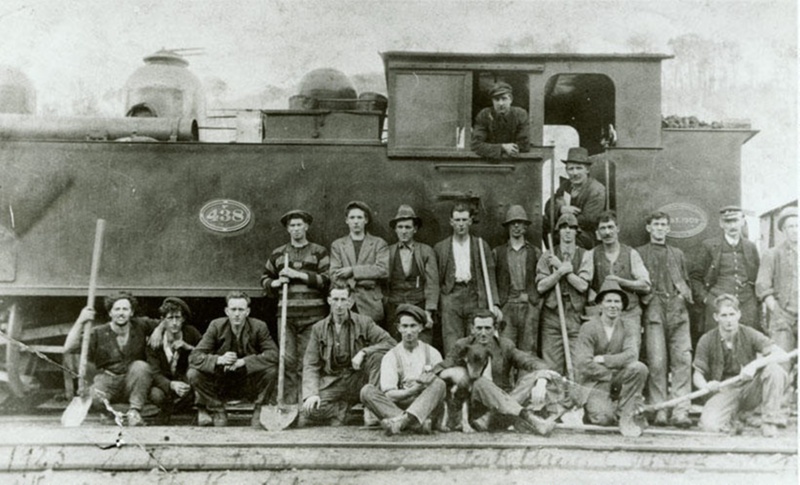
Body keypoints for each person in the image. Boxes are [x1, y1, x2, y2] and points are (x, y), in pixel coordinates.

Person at [432, 310, 558, 436]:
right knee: (480, 381)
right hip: (477, 409)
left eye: (487, 328)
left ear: (495, 329)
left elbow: (531, 362)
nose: (483, 333)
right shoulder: (463, 345)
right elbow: (440, 368)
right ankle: (530, 419)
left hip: (504, 404)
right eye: (479, 328)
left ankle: (501, 418)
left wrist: (541, 379)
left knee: (537, 376)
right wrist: (456, 373)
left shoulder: (505, 346)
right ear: (472, 329)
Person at [693, 294, 788, 437]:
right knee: (709, 426)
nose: (729, 320)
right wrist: (706, 386)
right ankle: (737, 419)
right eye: (724, 315)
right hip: (724, 391)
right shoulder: (706, 340)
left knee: (774, 370)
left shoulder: (749, 333)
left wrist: (755, 365)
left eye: (732, 314)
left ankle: (769, 422)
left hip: (749, 388)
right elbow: (697, 374)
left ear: (738, 314)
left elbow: (782, 354)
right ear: (716, 317)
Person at [301, 284, 396, 426]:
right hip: (334, 381)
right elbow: (311, 364)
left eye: (343, 299)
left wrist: (364, 352)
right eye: (335, 299)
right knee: (309, 410)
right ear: (329, 301)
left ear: (350, 302)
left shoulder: (365, 322)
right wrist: (311, 394)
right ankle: (344, 411)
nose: (339, 305)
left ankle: (372, 409)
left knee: (377, 357)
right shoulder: (318, 328)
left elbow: (390, 343)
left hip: (359, 379)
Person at [261, 209, 330, 404]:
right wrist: (274, 283)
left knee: (307, 362)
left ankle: (305, 401)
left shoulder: (319, 251)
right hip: (286, 316)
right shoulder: (278, 254)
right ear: (287, 229)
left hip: (313, 316)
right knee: (287, 361)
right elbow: (265, 278)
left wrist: (298, 275)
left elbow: (326, 280)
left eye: (300, 225)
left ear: (306, 226)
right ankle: (289, 402)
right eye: (292, 225)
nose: (296, 229)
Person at [64, 291, 160, 426]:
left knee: (141, 367)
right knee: (94, 398)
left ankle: (134, 411)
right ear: (110, 313)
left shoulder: (140, 325)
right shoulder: (98, 333)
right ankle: (124, 412)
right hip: (109, 381)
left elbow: (166, 322)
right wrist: (81, 320)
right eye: (117, 309)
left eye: (125, 309)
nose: (121, 313)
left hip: (132, 381)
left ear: (131, 312)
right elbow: (68, 347)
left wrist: (158, 330)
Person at [636, 212, 693, 427]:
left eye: (663, 225)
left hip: (677, 309)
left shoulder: (677, 253)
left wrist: (680, 299)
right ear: (649, 228)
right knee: (657, 361)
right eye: (656, 225)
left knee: (682, 359)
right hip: (653, 308)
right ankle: (659, 409)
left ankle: (681, 410)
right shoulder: (639, 253)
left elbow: (685, 282)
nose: (660, 228)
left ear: (668, 229)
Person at [187, 291, 278, 427]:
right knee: (193, 374)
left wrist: (245, 362)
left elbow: (273, 354)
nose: (237, 314)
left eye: (241, 309)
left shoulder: (259, 327)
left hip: (248, 382)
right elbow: (194, 357)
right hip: (222, 382)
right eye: (233, 309)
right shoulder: (216, 326)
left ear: (247, 312)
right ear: (226, 311)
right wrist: (219, 360)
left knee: (272, 371)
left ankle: (259, 409)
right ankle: (218, 409)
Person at [360, 304, 446, 435]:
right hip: (401, 404)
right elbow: (390, 394)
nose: (409, 331)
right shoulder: (391, 356)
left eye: (413, 326)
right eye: (405, 326)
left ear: (421, 328)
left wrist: (422, 389)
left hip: (425, 405)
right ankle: (414, 423)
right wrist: (413, 390)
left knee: (440, 384)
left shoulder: (432, 353)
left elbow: (438, 392)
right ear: (399, 328)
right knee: (367, 391)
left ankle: (401, 422)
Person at [574, 280, 649, 428]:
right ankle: (599, 409)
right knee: (603, 420)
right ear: (600, 305)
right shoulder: (588, 327)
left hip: (617, 380)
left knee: (639, 368)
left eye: (617, 301)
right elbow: (583, 363)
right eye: (608, 301)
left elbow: (631, 355)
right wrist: (610, 373)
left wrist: (603, 359)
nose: (613, 305)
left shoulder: (628, 326)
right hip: (595, 383)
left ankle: (624, 412)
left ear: (622, 306)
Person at [435, 202, 503, 354]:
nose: (461, 224)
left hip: (474, 296)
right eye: (457, 220)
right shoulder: (441, 248)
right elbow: (436, 279)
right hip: (451, 298)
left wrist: (495, 304)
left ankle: (476, 376)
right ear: (451, 221)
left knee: (476, 341)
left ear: (470, 221)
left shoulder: (480, 245)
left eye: (464, 220)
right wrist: (439, 303)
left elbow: (490, 276)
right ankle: (455, 376)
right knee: (452, 343)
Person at [578, 210, 651, 342]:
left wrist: (620, 281)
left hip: (629, 314)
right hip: (603, 316)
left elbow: (645, 286)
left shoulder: (631, 254)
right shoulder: (591, 254)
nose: (607, 232)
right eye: (603, 228)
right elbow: (582, 284)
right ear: (597, 233)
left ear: (617, 229)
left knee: (630, 354)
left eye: (610, 227)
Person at [691, 206, 761, 335]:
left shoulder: (750, 246)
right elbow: (695, 277)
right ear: (721, 224)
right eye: (728, 222)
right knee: (717, 342)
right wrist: (706, 299)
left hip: (746, 303)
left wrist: (755, 300)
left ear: (742, 221)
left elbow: (758, 276)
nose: (732, 226)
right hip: (717, 302)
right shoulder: (709, 246)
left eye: (735, 221)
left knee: (749, 340)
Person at [536, 213, 591, 376]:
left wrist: (562, 269)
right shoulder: (547, 256)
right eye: (564, 227)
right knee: (552, 364)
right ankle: (555, 400)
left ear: (576, 232)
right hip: (552, 315)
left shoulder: (586, 255)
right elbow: (540, 286)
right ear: (558, 231)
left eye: (572, 228)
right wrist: (559, 273)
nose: (568, 231)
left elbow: (582, 286)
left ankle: (575, 399)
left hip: (576, 316)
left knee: (577, 363)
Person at [329, 200, 390, 326]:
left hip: (371, 304)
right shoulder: (338, 245)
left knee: (371, 341)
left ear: (366, 220)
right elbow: (334, 274)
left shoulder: (379, 243)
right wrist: (368, 279)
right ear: (347, 220)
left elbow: (383, 270)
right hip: (346, 302)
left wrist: (352, 271)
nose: (356, 221)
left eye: (359, 217)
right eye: (352, 217)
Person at [384, 204, 439, 343]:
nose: (404, 231)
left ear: (415, 229)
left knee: (422, 345)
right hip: (394, 307)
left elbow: (432, 283)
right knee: (395, 346)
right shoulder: (388, 252)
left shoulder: (425, 251)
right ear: (395, 229)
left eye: (408, 227)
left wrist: (429, 312)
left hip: (418, 305)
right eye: (400, 227)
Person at [493, 205, 542, 354]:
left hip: (529, 307)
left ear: (525, 227)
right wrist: (497, 305)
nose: (516, 226)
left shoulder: (536, 252)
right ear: (507, 227)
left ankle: (525, 379)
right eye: (512, 223)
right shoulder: (497, 252)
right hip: (506, 307)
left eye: (520, 222)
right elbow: (492, 281)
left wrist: (536, 304)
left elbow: (543, 279)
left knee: (528, 350)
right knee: (506, 350)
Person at [146, 297, 202, 423]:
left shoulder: (191, 333)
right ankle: (172, 407)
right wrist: (171, 385)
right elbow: (154, 372)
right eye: (170, 318)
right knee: (156, 395)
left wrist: (188, 347)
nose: (175, 322)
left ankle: (176, 408)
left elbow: (206, 355)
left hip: (185, 383)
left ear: (183, 319)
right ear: (163, 321)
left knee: (195, 391)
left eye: (178, 317)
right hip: (165, 386)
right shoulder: (155, 340)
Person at [756, 206, 797, 372]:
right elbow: (762, 286)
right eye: (790, 227)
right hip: (783, 319)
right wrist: (777, 312)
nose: (795, 230)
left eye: (797, 225)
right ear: (783, 231)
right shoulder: (772, 254)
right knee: (781, 365)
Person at [543, 147, 607, 249]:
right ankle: (554, 253)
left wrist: (563, 221)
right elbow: (548, 205)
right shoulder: (566, 185)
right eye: (571, 169)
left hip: (586, 235)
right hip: (565, 228)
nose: (574, 173)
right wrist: (561, 209)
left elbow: (588, 220)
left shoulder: (596, 190)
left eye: (578, 168)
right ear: (566, 170)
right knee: (544, 222)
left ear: (587, 169)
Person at [471, 81, 530, 159]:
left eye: (504, 99)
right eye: (496, 99)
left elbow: (524, 144)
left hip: (513, 161)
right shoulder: (484, 115)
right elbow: (476, 145)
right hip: (490, 163)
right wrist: (502, 147)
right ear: (492, 101)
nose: (500, 103)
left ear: (511, 99)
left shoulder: (520, 114)